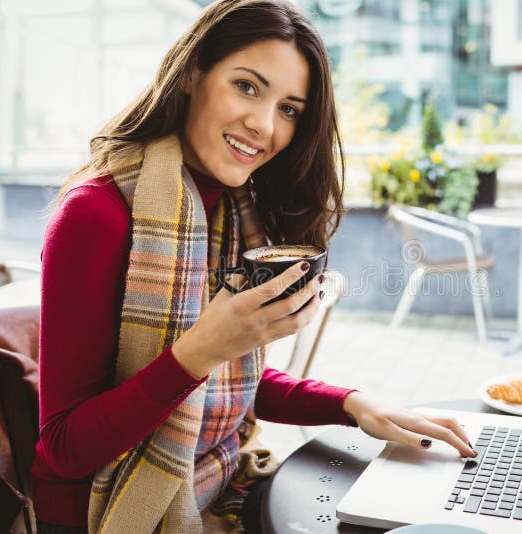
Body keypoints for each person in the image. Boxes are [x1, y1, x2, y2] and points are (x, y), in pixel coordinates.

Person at [31, 1, 476, 532]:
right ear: (194, 73)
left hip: (215, 482)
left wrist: (356, 405)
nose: (264, 125)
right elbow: (62, 449)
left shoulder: (231, 209)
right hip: (101, 512)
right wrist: (205, 348)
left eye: (289, 108)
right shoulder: (95, 214)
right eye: (247, 86)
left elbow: (224, 382)